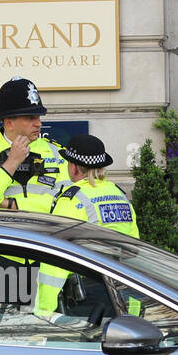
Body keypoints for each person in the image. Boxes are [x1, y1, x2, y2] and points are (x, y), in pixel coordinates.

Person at [35, 134, 140, 320]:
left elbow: (55, 263)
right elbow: (133, 253)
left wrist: (44, 312)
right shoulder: (119, 195)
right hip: (118, 294)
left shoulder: (72, 199)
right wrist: (134, 307)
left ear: (74, 167)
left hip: (85, 299)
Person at [0, 76, 70, 213]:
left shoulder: (57, 153)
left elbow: (66, 205)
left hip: (43, 232)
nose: (39, 123)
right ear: (9, 123)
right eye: (30, 118)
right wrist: (12, 162)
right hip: (3, 233)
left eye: (39, 117)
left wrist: (6, 203)